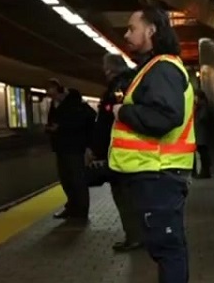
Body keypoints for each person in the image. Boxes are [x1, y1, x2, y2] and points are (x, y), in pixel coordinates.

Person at [110, 6, 197, 283]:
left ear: (151, 30)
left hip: (160, 172)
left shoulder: (162, 69)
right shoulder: (155, 68)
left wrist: (123, 111)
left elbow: (165, 118)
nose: (128, 35)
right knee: (163, 246)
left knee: (168, 247)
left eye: (132, 28)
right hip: (155, 172)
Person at [88, 53, 144, 252]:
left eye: (105, 66)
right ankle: (138, 235)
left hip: (120, 151)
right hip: (128, 150)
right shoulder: (131, 82)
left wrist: (98, 150)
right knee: (133, 194)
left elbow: (108, 122)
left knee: (123, 195)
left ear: (110, 68)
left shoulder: (118, 87)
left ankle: (135, 237)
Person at [45, 78, 95, 223]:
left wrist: (61, 128)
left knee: (77, 180)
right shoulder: (55, 104)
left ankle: (81, 212)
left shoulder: (76, 104)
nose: (49, 94)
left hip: (74, 148)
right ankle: (72, 207)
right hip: (61, 147)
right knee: (66, 179)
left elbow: (88, 120)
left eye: (51, 90)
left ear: (60, 90)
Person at [192, 72, 214, 179]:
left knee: (203, 154)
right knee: (203, 154)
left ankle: (205, 172)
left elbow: (202, 118)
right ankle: (204, 171)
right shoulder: (203, 106)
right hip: (202, 134)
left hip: (202, 134)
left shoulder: (202, 107)